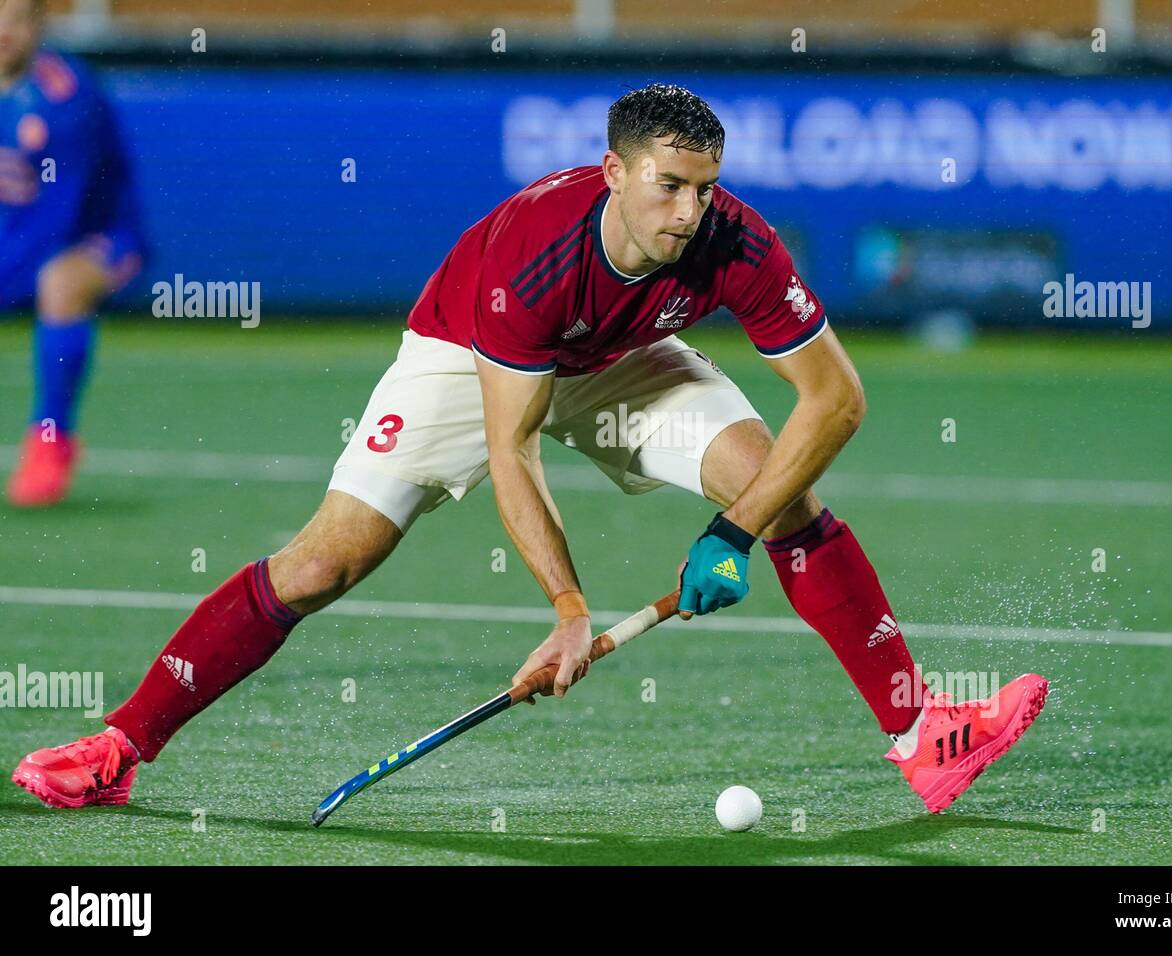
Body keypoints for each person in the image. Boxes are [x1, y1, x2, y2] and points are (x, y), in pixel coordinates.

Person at [12, 83, 1046, 815]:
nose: (689, 211)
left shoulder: (733, 238)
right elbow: (513, 448)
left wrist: (732, 527)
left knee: (776, 488)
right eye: (667, 186)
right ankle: (121, 745)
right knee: (325, 559)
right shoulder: (534, 255)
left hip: (629, 356)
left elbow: (837, 399)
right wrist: (565, 609)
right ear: (613, 172)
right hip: (470, 359)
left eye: (703, 187)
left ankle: (920, 737)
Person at [1, 0, 147, 507]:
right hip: (13, 240)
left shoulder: (66, 99)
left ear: (38, 26)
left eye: (15, 18)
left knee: (59, 282)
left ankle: (50, 439)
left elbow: (57, 227)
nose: (2, 30)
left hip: (98, 238)